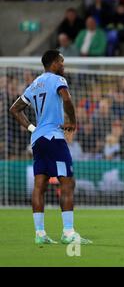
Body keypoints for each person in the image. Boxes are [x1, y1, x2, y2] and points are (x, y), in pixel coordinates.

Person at [9, 50, 91, 245]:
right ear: (53, 63)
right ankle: (68, 232)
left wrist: (32, 128)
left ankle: (40, 234)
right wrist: (73, 121)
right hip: (54, 137)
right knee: (67, 182)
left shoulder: (35, 83)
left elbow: (14, 108)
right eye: (61, 61)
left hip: (37, 140)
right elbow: (68, 100)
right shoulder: (58, 80)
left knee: (40, 185)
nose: (63, 65)